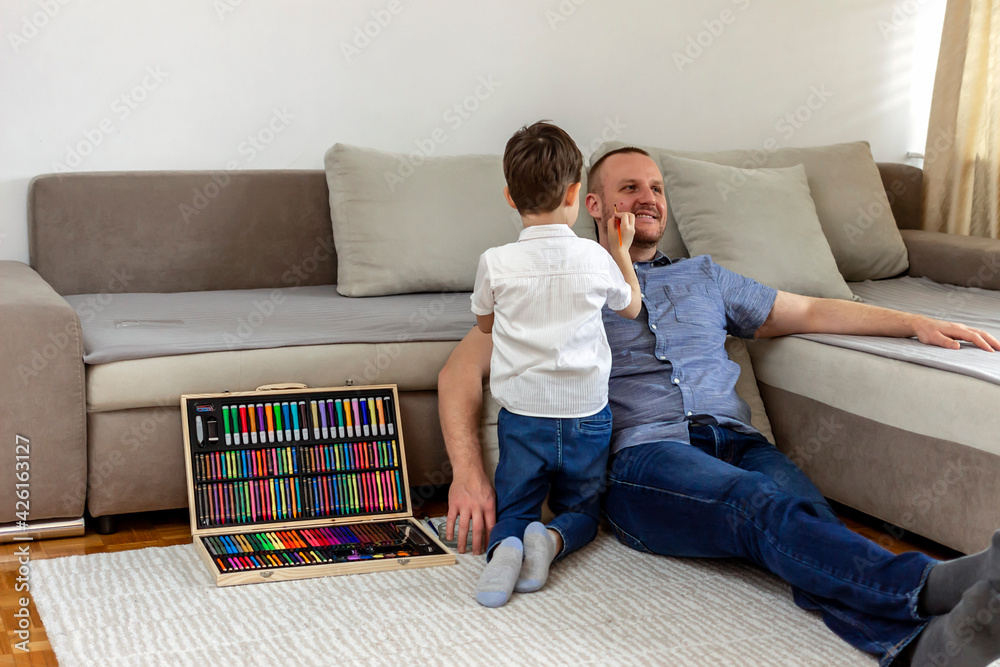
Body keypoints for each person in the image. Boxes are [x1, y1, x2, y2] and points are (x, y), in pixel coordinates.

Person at [439, 146, 1000, 665]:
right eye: (630, 188)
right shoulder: (565, 279)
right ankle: (930, 584)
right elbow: (460, 371)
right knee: (757, 502)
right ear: (591, 204)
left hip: (738, 441)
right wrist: (468, 472)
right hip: (646, 456)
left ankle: (921, 650)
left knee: (810, 523)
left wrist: (913, 322)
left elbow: (808, 310)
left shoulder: (704, 276)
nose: (649, 198)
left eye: (656, 188)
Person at [469, 122, 641, 607]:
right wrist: (621, 252)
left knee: (516, 506)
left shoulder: (495, 261)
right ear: (574, 194)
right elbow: (631, 307)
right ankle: (552, 540)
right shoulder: (595, 256)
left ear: (510, 197)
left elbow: (484, 323)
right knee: (583, 510)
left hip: (525, 417)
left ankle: (507, 547)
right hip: (587, 415)